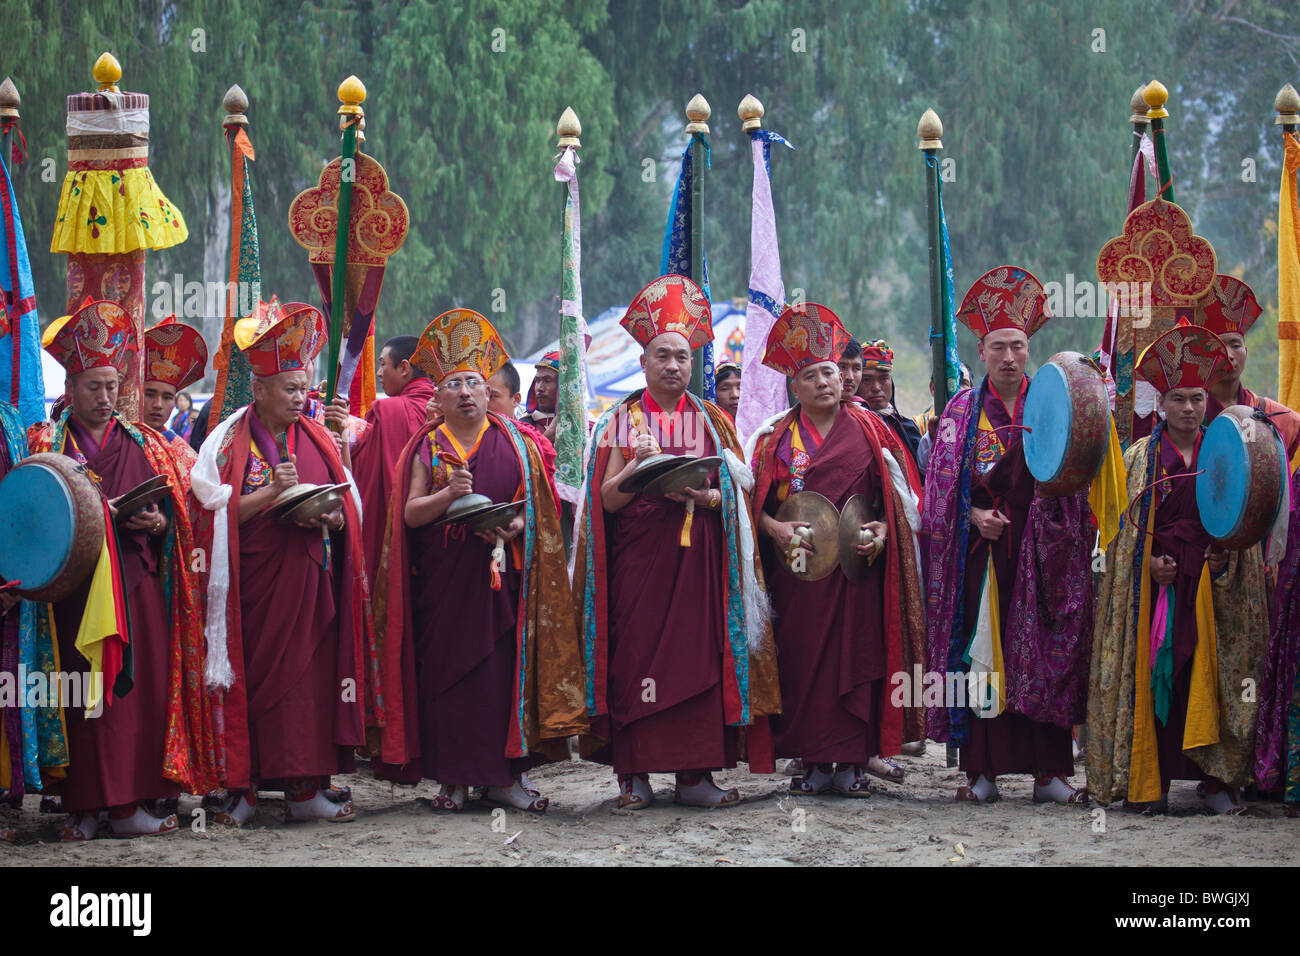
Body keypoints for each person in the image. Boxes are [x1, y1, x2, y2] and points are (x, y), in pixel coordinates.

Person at [573, 275, 780, 809]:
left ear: (694, 366)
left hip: (698, 568)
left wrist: (708, 500)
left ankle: (695, 777)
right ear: (643, 362)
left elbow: (737, 495)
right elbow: (609, 500)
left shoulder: (712, 421)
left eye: (682, 358)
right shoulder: (624, 420)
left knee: (699, 660)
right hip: (639, 567)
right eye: (662, 355)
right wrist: (640, 466)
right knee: (636, 661)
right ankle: (635, 776)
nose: (672, 366)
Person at [370, 309, 586, 812]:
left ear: (489, 393)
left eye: (475, 383)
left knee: (502, 678)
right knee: (447, 678)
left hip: (504, 583)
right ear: (437, 396)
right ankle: (453, 778)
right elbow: (410, 514)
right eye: (454, 384)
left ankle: (506, 777)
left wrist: (517, 525)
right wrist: (450, 497)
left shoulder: (520, 442)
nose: (466, 392)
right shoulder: (427, 447)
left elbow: (545, 512)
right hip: (446, 589)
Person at [33, 298, 217, 840]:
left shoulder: (145, 443)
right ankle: (83, 808)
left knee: (130, 698)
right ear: (71, 385)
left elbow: (177, 523)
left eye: (114, 386)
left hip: (137, 593)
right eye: (95, 386)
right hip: (73, 593)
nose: (107, 397)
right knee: (79, 696)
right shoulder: (49, 443)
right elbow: (36, 517)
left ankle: (127, 804)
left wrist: (159, 526)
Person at [190, 296, 371, 826]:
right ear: (260, 389)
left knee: (307, 690)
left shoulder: (320, 437)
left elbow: (347, 506)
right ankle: (241, 792)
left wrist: (333, 520)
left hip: (310, 589)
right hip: (251, 597)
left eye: (303, 389)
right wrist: (271, 494)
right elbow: (209, 513)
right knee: (251, 688)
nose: (299, 399)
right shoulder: (225, 442)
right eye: (289, 389)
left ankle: (303, 790)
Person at [923, 266, 1093, 805]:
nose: (1009, 358)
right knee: (983, 655)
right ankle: (982, 770)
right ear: (981, 351)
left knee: (1044, 653)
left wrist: (1051, 523)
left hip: (1043, 553)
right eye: (998, 347)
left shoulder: (1054, 404)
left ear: (1029, 348)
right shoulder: (962, 412)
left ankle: (1050, 772)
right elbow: (938, 493)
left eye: (1018, 346)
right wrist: (973, 518)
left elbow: (1075, 480)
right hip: (983, 556)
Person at [1088, 325, 1270, 815]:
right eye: (1178, 399)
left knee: (1208, 679)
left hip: (1212, 588)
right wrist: (1146, 564)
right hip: (1159, 590)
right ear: (1161, 403)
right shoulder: (1139, 459)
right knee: (1157, 679)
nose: (1189, 409)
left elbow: (1242, 524)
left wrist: (1226, 557)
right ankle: (1154, 780)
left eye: (1196, 398)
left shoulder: (1226, 453)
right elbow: (1118, 533)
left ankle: (1215, 783)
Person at [749, 303, 926, 797]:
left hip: (856, 577)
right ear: (795, 385)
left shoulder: (873, 432)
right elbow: (751, 506)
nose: (824, 382)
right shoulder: (774, 440)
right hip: (798, 575)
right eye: (811, 375)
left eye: (830, 371)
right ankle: (813, 763)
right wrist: (774, 529)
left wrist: (884, 533)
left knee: (858, 663)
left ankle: (849, 765)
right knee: (802, 665)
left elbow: (900, 502)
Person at [325, 334, 436, 590]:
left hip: (389, 534)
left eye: (383, 364)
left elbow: (359, 483)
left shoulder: (388, 411)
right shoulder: (443, 408)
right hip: (433, 534)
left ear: (405, 367)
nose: (378, 372)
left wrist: (341, 434)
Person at [141, 315, 207, 484]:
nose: (158, 405)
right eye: (149, 394)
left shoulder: (184, 454)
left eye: (167, 397)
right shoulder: (118, 439)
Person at [857, 339, 924, 470]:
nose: (876, 387)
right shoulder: (851, 425)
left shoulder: (906, 428)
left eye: (883, 379)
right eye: (867, 380)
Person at [524, 350, 560, 440]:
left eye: (547, 380)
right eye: (537, 381)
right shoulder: (523, 426)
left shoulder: (587, 428)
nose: (539, 388)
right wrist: (547, 437)